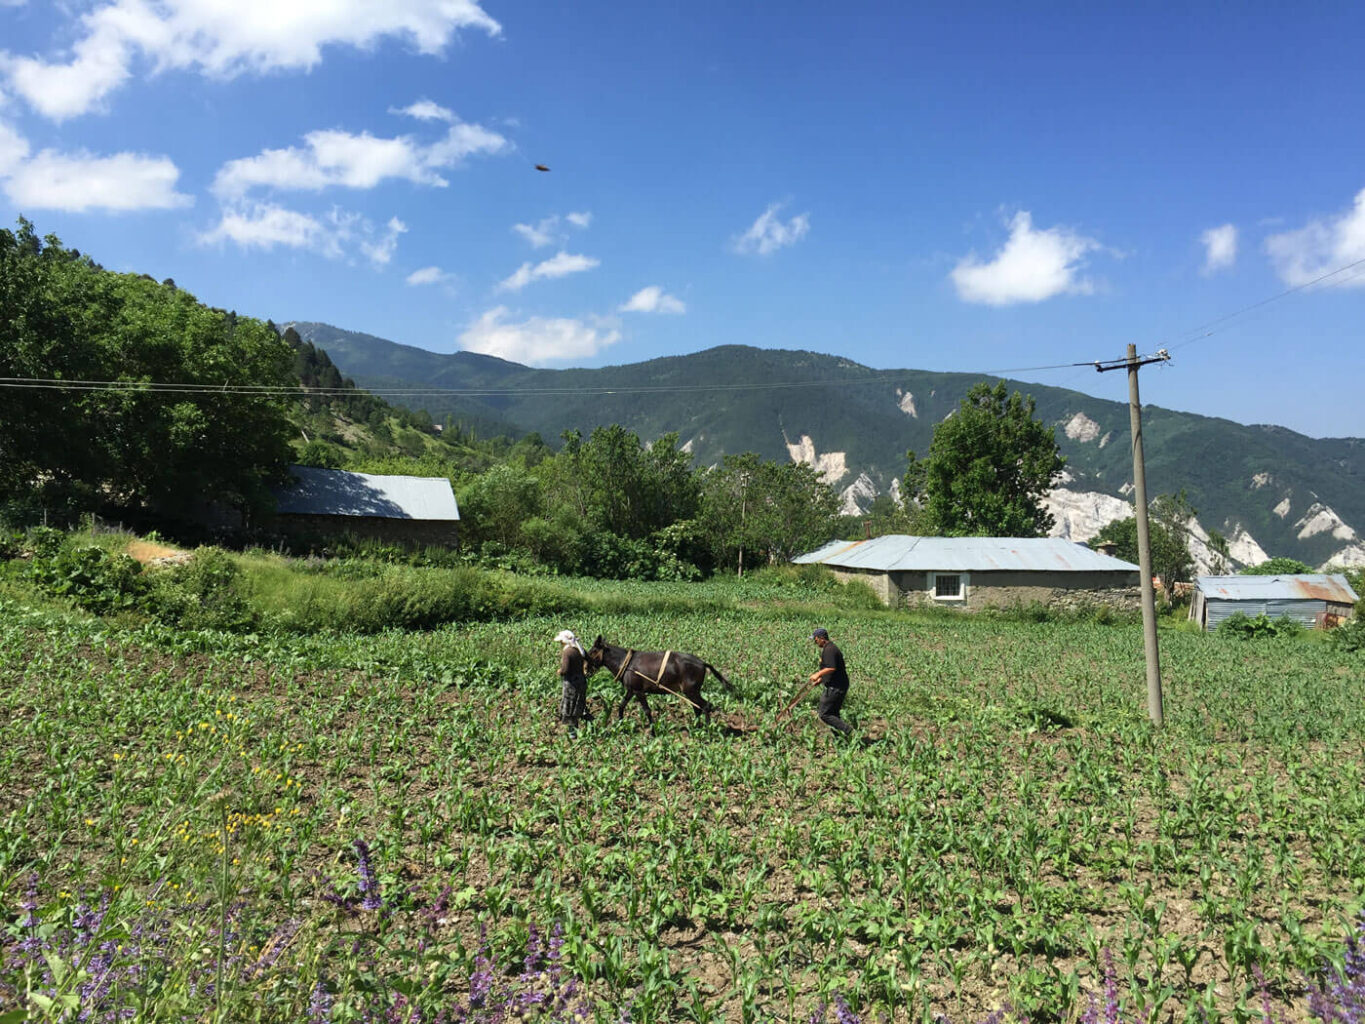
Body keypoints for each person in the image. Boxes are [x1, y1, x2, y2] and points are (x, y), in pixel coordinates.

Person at [808, 627, 853, 735]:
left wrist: (817, 674)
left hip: (836, 687)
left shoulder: (830, 650)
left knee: (824, 714)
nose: (815, 642)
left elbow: (831, 667)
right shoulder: (829, 648)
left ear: (821, 638)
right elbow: (831, 670)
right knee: (833, 714)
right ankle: (839, 739)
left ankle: (848, 730)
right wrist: (821, 679)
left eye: (816, 639)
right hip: (838, 685)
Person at [555, 629, 590, 734]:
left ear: (564, 641)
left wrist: (559, 671)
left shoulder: (567, 652)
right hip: (581, 680)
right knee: (578, 704)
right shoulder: (579, 649)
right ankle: (588, 725)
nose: (560, 643)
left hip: (571, 683)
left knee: (570, 706)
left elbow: (565, 669)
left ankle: (572, 733)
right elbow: (588, 659)